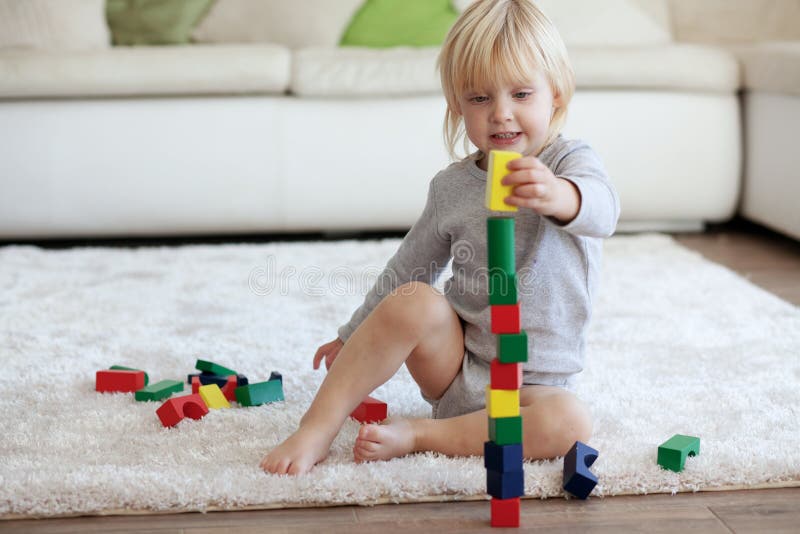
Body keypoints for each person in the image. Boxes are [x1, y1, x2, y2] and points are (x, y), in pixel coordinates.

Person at [261, 0, 620, 476]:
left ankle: (421, 435)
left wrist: (559, 196)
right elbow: (410, 265)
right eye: (479, 99)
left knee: (572, 421)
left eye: (521, 94)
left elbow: (603, 210)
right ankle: (316, 427)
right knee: (414, 298)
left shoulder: (569, 164)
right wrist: (352, 333)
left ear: (555, 94)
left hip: (536, 386)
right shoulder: (451, 187)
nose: (501, 114)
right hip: (458, 373)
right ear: (456, 105)